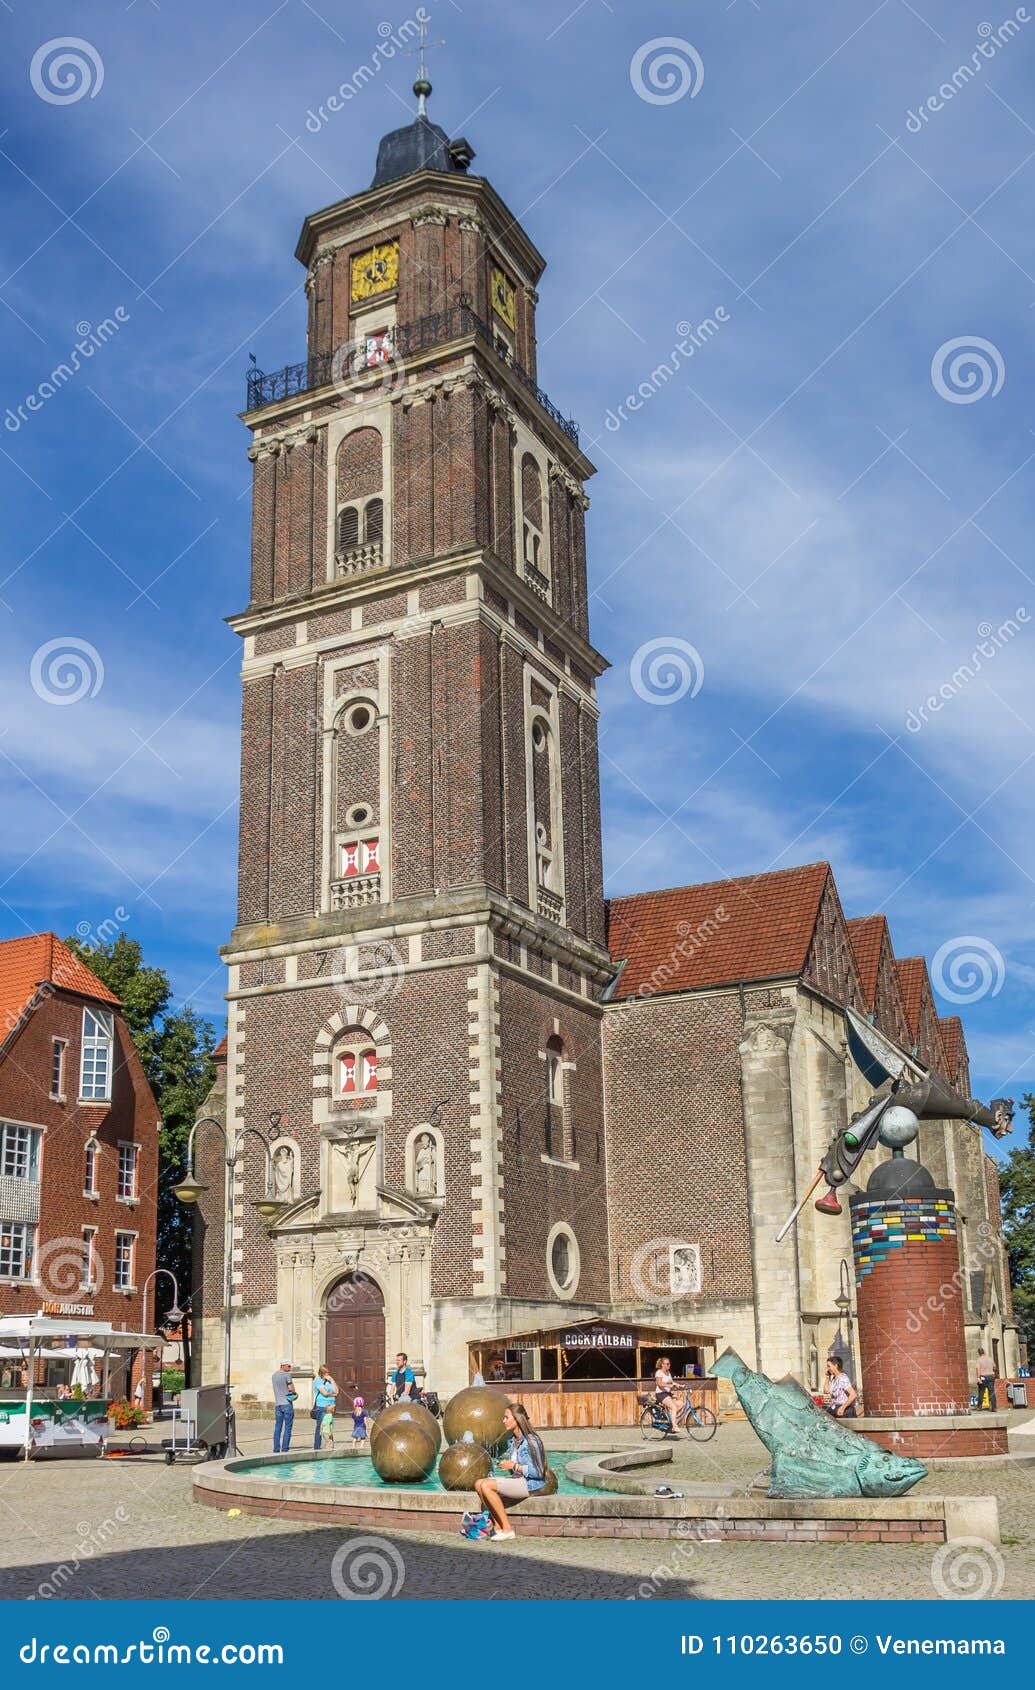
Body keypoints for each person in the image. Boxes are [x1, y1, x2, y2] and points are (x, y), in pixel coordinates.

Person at [473, 1403, 549, 1542]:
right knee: (479, 1483)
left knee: (486, 1486)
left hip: (531, 1484)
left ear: (517, 1419)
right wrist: (508, 1467)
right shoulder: (512, 1440)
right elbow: (515, 1470)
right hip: (518, 1480)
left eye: (506, 1417)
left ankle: (507, 1529)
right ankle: (497, 1527)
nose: (503, 1421)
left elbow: (538, 1472)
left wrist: (514, 1466)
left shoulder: (532, 1441)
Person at [654, 1355, 685, 1436]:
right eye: (667, 1364)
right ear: (662, 1365)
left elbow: (671, 1383)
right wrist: (669, 1386)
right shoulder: (659, 1372)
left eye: (669, 1363)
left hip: (667, 1393)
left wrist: (680, 1385)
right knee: (674, 1407)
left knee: (680, 1403)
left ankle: (671, 1419)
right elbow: (659, 1383)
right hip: (660, 1394)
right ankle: (674, 1426)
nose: (669, 1365)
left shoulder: (668, 1373)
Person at [272, 1360, 296, 1453]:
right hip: (286, 1404)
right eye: (289, 1366)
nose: (290, 1368)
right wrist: (293, 1392)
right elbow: (291, 1390)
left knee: (278, 1427)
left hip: (278, 1404)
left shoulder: (274, 1375)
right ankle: (285, 1448)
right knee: (287, 1427)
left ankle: (276, 1448)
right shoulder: (287, 1375)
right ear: (283, 1365)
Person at [313, 1365, 338, 1450]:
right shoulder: (318, 1381)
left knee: (330, 1426)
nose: (327, 1374)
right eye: (326, 1372)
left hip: (331, 1407)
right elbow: (325, 1393)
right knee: (321, 1426)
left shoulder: (329, 1381)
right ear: (321, 1373)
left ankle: (330, 1445)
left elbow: (337, 1391)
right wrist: (333, 1394)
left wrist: (332, 1380)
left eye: (328, 1372)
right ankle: (317, 1446)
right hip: (322, 1406)